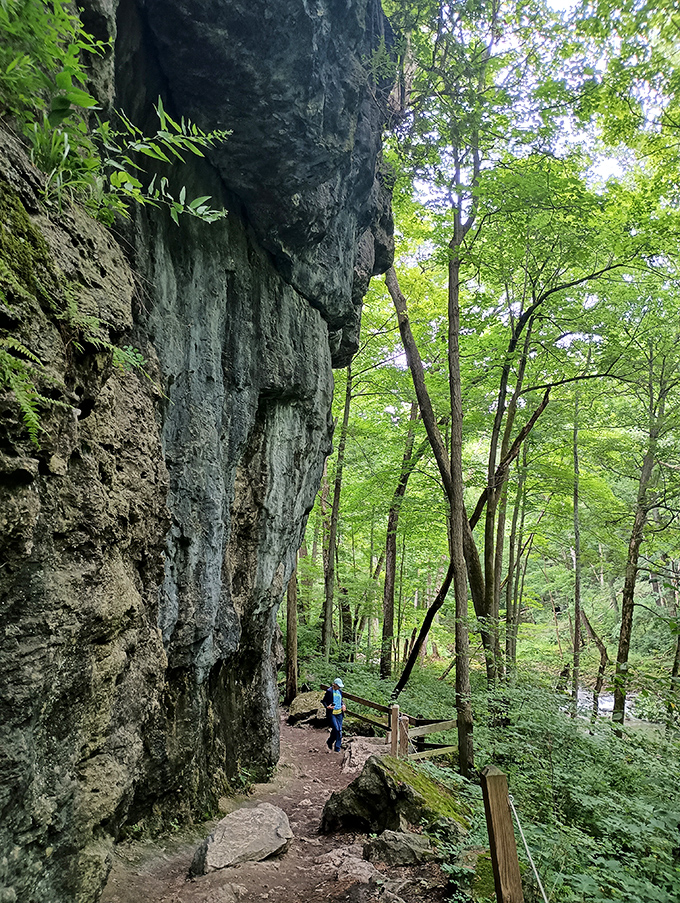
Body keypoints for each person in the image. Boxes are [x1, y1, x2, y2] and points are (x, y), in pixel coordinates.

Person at [322, 677, 345, 752]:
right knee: (336, 729)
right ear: (334, 685)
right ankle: (330, 741)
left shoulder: (340, 692)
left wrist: (343, 705)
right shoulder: (329, 691)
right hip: (332, 713)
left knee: (339, 730)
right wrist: (327, 707)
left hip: (339, 713)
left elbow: (341, 700)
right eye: (338, 686)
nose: (339, 687)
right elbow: (324, 701)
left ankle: (337, 747)